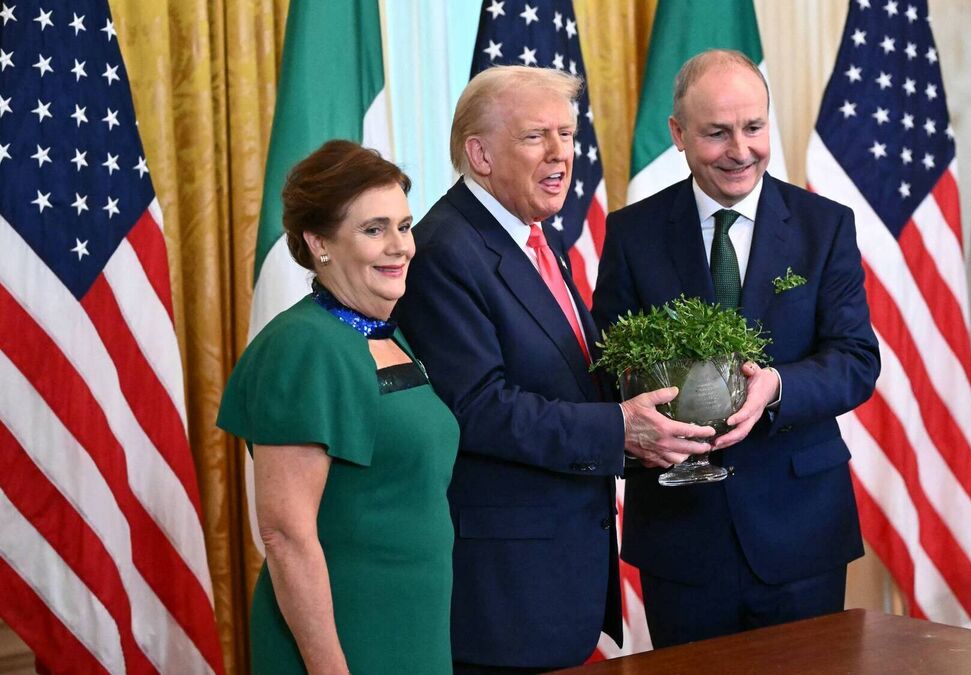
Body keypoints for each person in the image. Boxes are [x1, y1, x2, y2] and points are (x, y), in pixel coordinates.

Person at [393, 65, 713, 673]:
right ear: (479, 154)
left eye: (567, 135)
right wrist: (620, 429)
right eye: (536, 136)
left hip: (555, 572)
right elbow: (479, 408)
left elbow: (566, 376)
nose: (561, 154)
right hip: (506, 588)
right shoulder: (447, 250)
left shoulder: (532, 238)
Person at [592, 49, 882, 647]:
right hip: (682, 535)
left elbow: (856, 359)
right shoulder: (632, 234)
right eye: (716, 133)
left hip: (801, 526)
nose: (740, 150)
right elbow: (608, 367)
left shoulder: (823, 226)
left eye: (753, 128)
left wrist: (778, 387)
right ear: (677, 134)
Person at [217, 140, 459, 674]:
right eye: (374, 229)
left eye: (404, 225)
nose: (401, 246)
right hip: (340, 644)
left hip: (413, 629)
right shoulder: (303, 346)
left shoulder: (387, 337)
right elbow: (285, 535)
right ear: (319, 243)